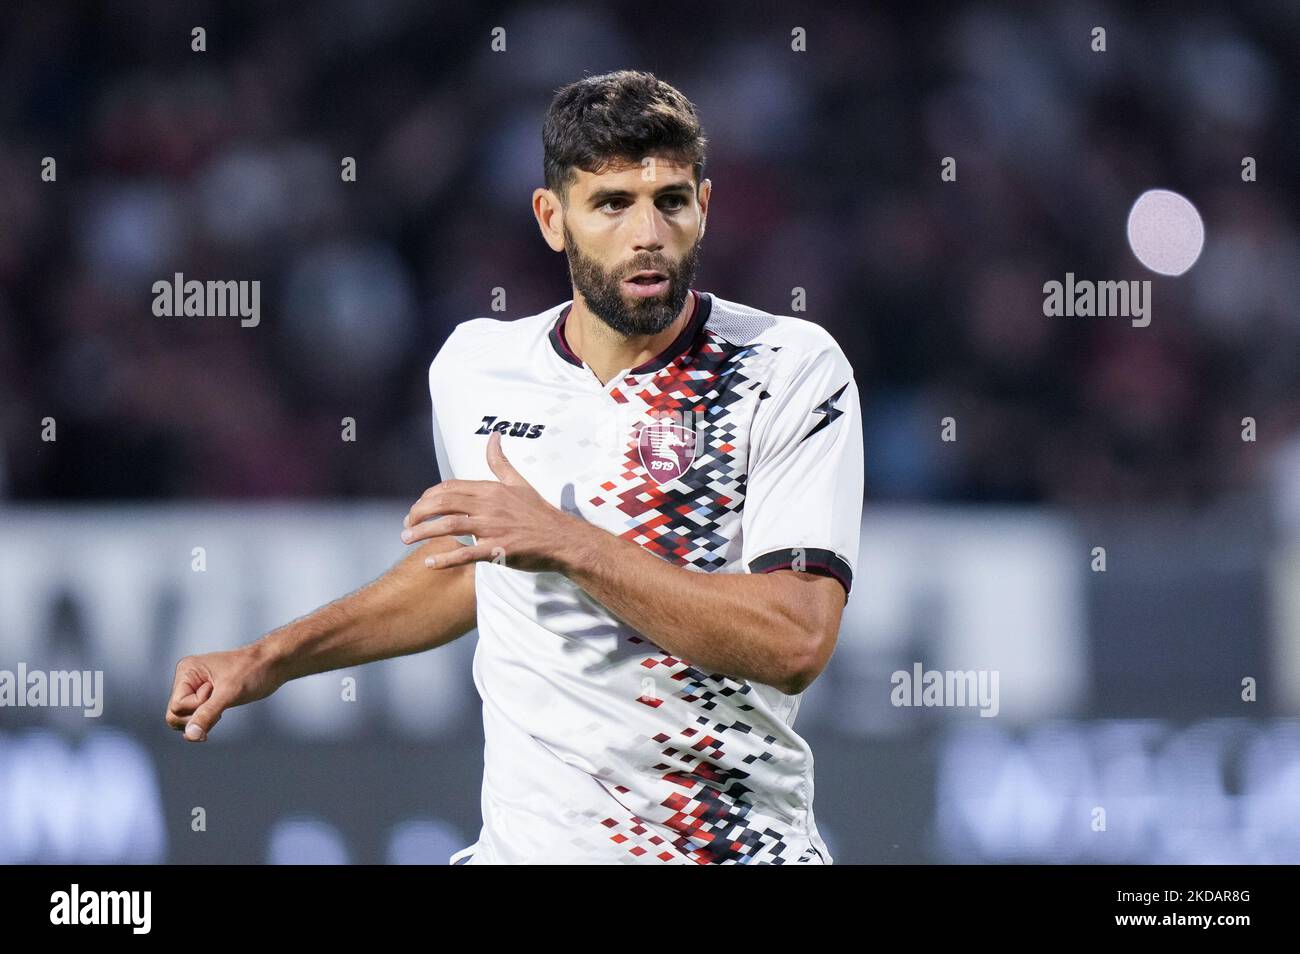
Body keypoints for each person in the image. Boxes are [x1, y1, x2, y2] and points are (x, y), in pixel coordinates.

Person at [166, 69, 863, 865]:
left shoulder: (782, 367)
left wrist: (567, 541)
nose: (648, 233)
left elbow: (794, 641)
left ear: (704, 207)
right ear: (552, 219)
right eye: (611, 205)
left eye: (670, 200)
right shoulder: (475, 368)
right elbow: (482, 570)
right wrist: (268, 658)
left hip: (724, 849)